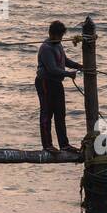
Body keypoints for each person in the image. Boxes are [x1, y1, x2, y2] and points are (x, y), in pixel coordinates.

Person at [35, 20, 82, 152]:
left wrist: (78, 65)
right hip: (45, 82)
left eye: (62, 36)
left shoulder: (58, 45)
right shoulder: (46, 48)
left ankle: (64, 144)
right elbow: (52, 69)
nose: (61, 39)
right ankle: (47, 145)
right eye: (59, 36)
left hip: (56, 83)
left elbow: (64, 60)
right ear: (52, 34)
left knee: (60, 114)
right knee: (47, 113)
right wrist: (68, 74)